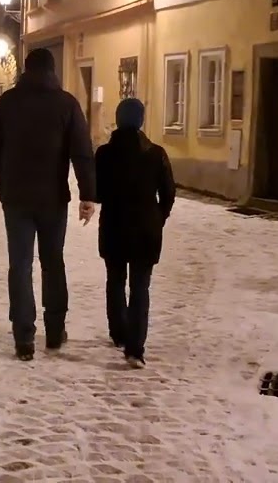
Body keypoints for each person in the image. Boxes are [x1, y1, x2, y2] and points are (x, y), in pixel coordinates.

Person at [0, 47, 96, 361]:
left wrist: (4, 177)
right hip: (53, 198)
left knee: (19, 265)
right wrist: (88, 194)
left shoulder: (7, 103)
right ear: (53, 70)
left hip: (16, 198)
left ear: (25, 70)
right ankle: (55, 330)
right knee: (53, 262)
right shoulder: (66, 104)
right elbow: (82, 151)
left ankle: (23, 337)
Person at [94, 97, 175, 369]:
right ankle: (135, 348)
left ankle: (118, 332)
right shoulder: (156, 153)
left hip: (114, 226)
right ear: (141, 121)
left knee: (115, 281)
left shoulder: (104, 154)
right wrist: (158, 217)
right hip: (145, 230)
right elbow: (168, 193)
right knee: (140, 287)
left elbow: (98, 192)